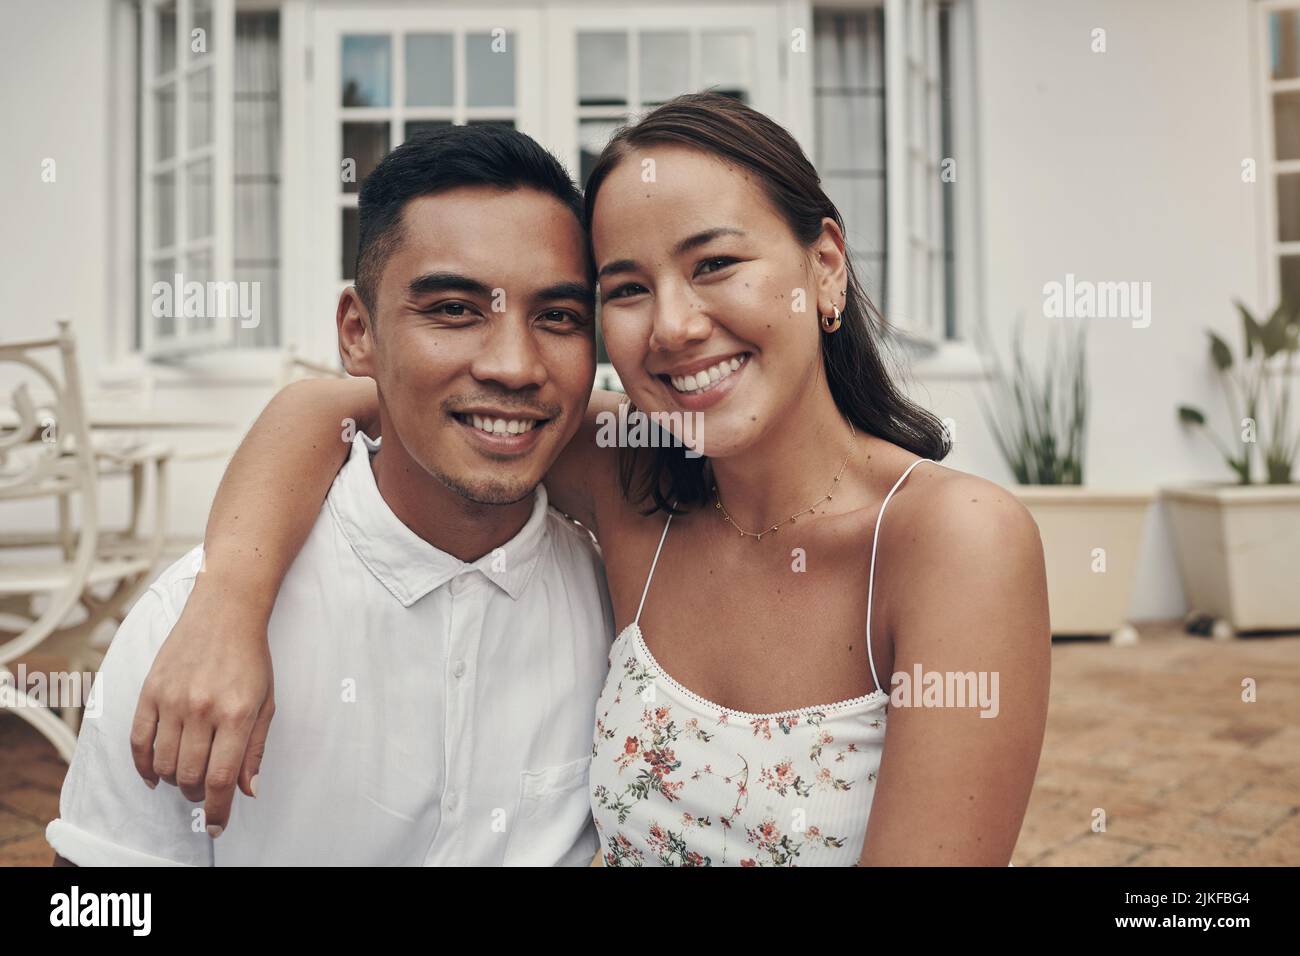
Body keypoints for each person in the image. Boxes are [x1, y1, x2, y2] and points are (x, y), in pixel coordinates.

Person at [126, 93, 1050, 866]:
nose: (677, 326)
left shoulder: (950, 540)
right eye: (628, 287)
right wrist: (225, 607)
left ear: (825, 267)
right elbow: (339, 406)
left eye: (716, 264)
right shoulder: (632, 476)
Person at [47, 124, 613, 865]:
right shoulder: (195, 632)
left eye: (558, 317)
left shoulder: (623, 608)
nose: (514, 365)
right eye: (453, 310)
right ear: (358, 333)